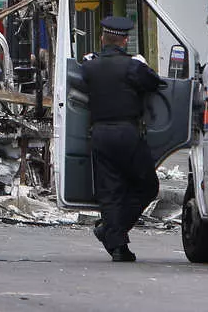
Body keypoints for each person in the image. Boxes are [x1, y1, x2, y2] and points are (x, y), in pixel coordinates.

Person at [81, 16, 163, 262]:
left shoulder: (90, 65)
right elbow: (155, 84)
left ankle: (117, 246)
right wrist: (141, 64)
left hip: (100, 134)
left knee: (110, 191)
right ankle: (110, 232)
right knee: (147, 185)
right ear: (125, 41)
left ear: (101, 39)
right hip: (126, 133)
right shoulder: (132, 66)